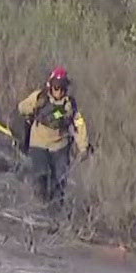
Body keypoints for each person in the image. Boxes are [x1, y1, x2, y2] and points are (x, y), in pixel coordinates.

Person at [15, 67, 90, 206]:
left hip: (60, 146)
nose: (59, 91)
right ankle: (40, 206)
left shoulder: (70, 106)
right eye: (56, 87)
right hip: (38, 144)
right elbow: (22, 108)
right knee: (40, 177)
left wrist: (83, 146)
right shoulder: (39, 98)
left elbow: (79, 124)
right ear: (51, 86)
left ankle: (55, 211)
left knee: (59, 181)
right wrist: (28, 114)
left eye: (62, 87)